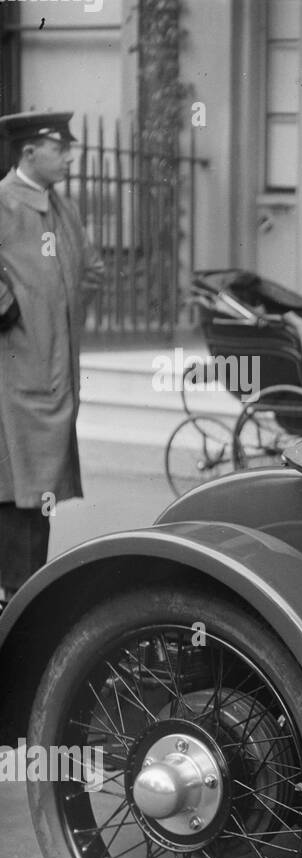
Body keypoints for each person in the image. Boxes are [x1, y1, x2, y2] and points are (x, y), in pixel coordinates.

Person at [0, 112, 104, 607]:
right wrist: (14, 313)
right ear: (28, 153)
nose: (69, 155)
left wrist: (59, 319)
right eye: (58, 147)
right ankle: (15, 600)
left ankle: (20, 599)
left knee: (37, 491)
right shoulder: (2, 203)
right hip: (13, 375)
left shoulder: (64, 207)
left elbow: (92, 269)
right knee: (15, 486)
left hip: (56, 374)